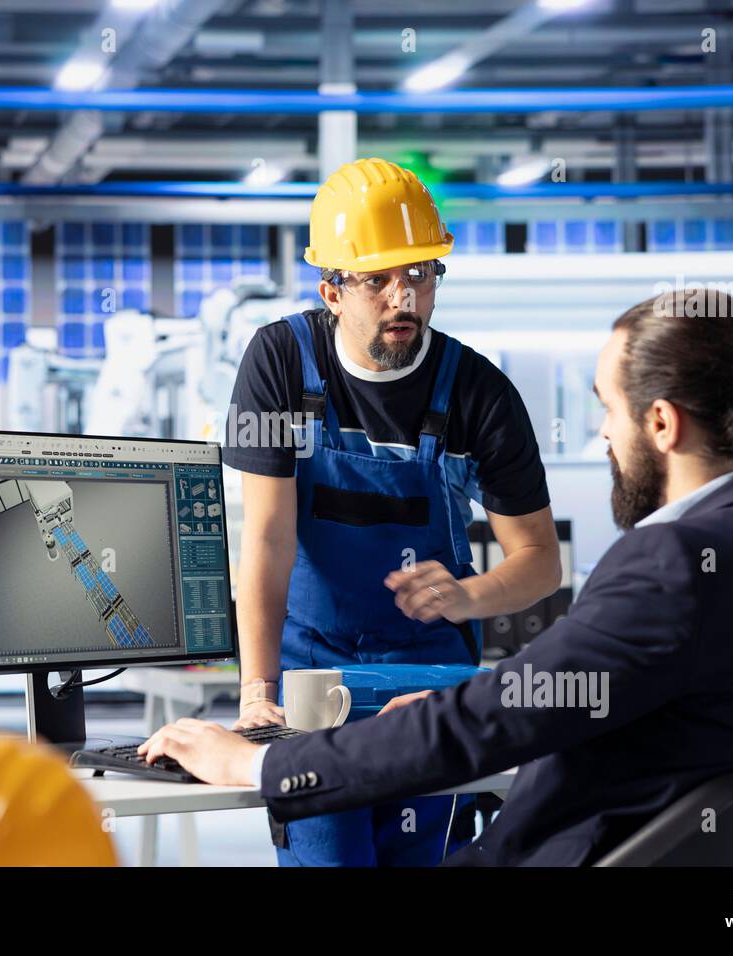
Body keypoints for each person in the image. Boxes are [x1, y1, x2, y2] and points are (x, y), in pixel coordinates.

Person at [142, 288, 733, 866]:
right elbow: (602, 700)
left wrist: (253, 767)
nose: (602, 435)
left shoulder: (670, 565)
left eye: (607, 409)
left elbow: (487, 725)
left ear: (660, 422)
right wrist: (475, 699)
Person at [222, 157, 561, 866]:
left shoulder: (479, 393)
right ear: (332, 290)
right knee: (327, 854)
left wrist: (469, 595)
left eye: (421, 274)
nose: (402, 298)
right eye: (377, 279)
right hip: (312, 685)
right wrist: (256, 690)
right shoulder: (280, 362)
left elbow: (539, 563)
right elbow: (267, 537)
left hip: (430, 688)